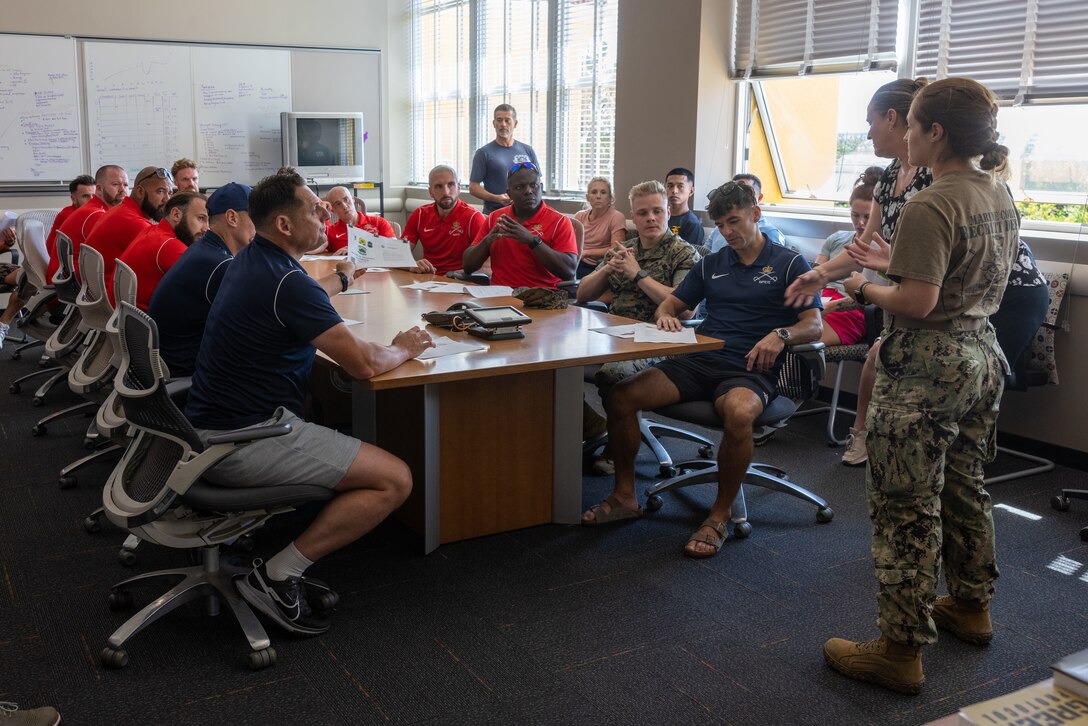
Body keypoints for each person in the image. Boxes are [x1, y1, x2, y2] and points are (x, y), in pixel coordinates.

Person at [820, 77, 1020, 695]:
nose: (904, 135)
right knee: (964, 485)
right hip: (981, 356)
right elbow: (962, 278)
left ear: (936, 133)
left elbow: (915, 302)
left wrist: (860, 287)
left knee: (905, 506)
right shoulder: (996, 190)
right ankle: (970, 604)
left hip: (928, 368)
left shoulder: (933, 201)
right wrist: (891, 266)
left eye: (911, 126)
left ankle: (900, 650)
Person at [184, 171, 433, 636]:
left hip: (205, 426)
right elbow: (363, 363)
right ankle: (278, 574)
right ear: (283, 223)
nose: (323, 215)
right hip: (247, 439)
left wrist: (339, 279)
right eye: (313, 208)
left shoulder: (251, 260)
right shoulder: (287, 282)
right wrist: (403, 347)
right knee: (394, 480)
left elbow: (300, 298)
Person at [582, 181, 821, 559]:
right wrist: (666, 317)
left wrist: (780, 334)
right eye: (721, 225)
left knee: (740, 412)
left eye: (734, 221)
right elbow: (671, 305)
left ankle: (719, 515)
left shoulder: (790, 262)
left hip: (751, 367)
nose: (727, 232)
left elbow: (814, 325)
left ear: (755, 214)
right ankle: (624, 496)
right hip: (701, 357)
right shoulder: (712, 261)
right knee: (621, 394)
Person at [785, 78, 932, 466]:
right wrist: (820, 276)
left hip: (945, 301)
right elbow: (863, 247)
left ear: (893, 118)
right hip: (906, 301)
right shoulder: (887, 178)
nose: (867, 134)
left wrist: (870, 279)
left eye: (870, 123)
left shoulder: (934, 177)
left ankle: (873, 440)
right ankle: (869, 439)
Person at [575, 180, 698, 471]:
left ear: (669, 212)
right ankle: (598, 428)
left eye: (657, 211)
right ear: (633, 215)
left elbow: (684, 305)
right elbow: (583, 294)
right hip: (616, 334)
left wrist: (637, 274)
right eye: (642, 213)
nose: (651, 218)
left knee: (613, 375)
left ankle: (615, 450)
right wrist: (607, 267)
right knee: (552, 366)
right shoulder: (625, 249)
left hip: (664, 338)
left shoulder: (683, 253)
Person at [149, 183, 254, 377]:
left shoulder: (204, 250)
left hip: (165, 359)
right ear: (232, 218)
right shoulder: (219, 264)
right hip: (184, 369)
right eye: (256, 217)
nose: (262, 226)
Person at [463, 162, 576, 289]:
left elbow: (569, 272)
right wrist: (487, 241)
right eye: (519, 187)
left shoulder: (560, 222)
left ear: (541, 187)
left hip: (542, 299)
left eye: (533, 185)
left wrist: (532, 241)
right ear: (509, 193)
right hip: (498, 297)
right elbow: (467, 266)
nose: (528, 191)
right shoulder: (495, 218)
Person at [812, 167, 883, 347]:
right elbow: (816, 274)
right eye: (855, 215)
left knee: (798, 339)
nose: (860, 223)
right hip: (823, 299)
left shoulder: (880, 249)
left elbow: (871, 296)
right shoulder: (836, 239)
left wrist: (830, 306)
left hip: (853, 307)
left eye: (867, 217)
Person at [85, 165, 173, 295]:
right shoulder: (135, 223)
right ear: (139, 192)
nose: (167, 200)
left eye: (170, 193)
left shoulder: (121, 210)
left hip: (100, 294)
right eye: (160, 192)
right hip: (115, 300)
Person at [118, 191, 208, 310]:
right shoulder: (169, 245)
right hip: (143, 323)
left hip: (125, 316)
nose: (206, 228)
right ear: (176, 215)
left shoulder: (153, 230)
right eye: (201, 218)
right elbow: (206, 286)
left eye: (209, 221)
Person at [51, 165, 129, 283]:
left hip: (68, 278)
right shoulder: (96, 214)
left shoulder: (95, 208)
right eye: (115, 184)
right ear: (98, 189)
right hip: (74, 284)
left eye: (126, 185)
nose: (122, 189)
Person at [402, 165, 486, 275]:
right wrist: (412, 265)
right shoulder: (419, 215)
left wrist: (460, 275)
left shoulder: (473, 217)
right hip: (427, 281)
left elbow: (487, 267)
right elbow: (398, 257)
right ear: (430, 192)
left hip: (460, 281)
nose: (446, 192)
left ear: (459, 187)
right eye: (438, 186)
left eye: (451, 185)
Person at [469, 104, 541, 215]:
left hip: (526, 211)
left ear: (515, 123)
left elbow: (538, 182)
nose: (503, 124)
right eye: (499, 120)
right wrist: (496, 198)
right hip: (495, 211)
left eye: (507, 120)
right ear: (494, 123)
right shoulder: (483, 153)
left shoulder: (527, 150)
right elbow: (473, 188)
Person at [706, 173, 789, 251]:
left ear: (759, 198)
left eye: (746, 192)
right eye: (734, 193)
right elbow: (704, 254)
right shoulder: (721, 228)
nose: (727, 232)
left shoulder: (771, 233)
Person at [573, 177, 627, 279]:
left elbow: (616, 249)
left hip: (600, 266)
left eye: (603, 192)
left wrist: (587, 252)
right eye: (594, 192)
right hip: (576, 261)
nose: (598, 196)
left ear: (610, 198)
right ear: (587, 197)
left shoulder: (616, 217)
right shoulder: (579, 216)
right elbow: (571, 243)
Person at [317, 186, 394, 253]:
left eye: (346, 199)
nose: (344, 206)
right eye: (338, 204)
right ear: (332, 210)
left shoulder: (379, 222)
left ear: (353, 199)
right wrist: (322, 213)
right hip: (344, 267)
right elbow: (311, 250)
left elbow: (394, 249)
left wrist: (356, 250)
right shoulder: (330, 231)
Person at [44, 175, 96, 255]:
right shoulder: (69, 215)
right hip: (64, 265)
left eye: (94, 196)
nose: (92, 200)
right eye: (85, 196)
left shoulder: (91, 213)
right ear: (73, 199)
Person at [664, 167, 705, 246]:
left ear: (691, 191)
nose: (674, 191)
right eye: (670, 186)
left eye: (680, 186)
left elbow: (691, 256)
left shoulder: (693, 224)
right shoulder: (659, 217)